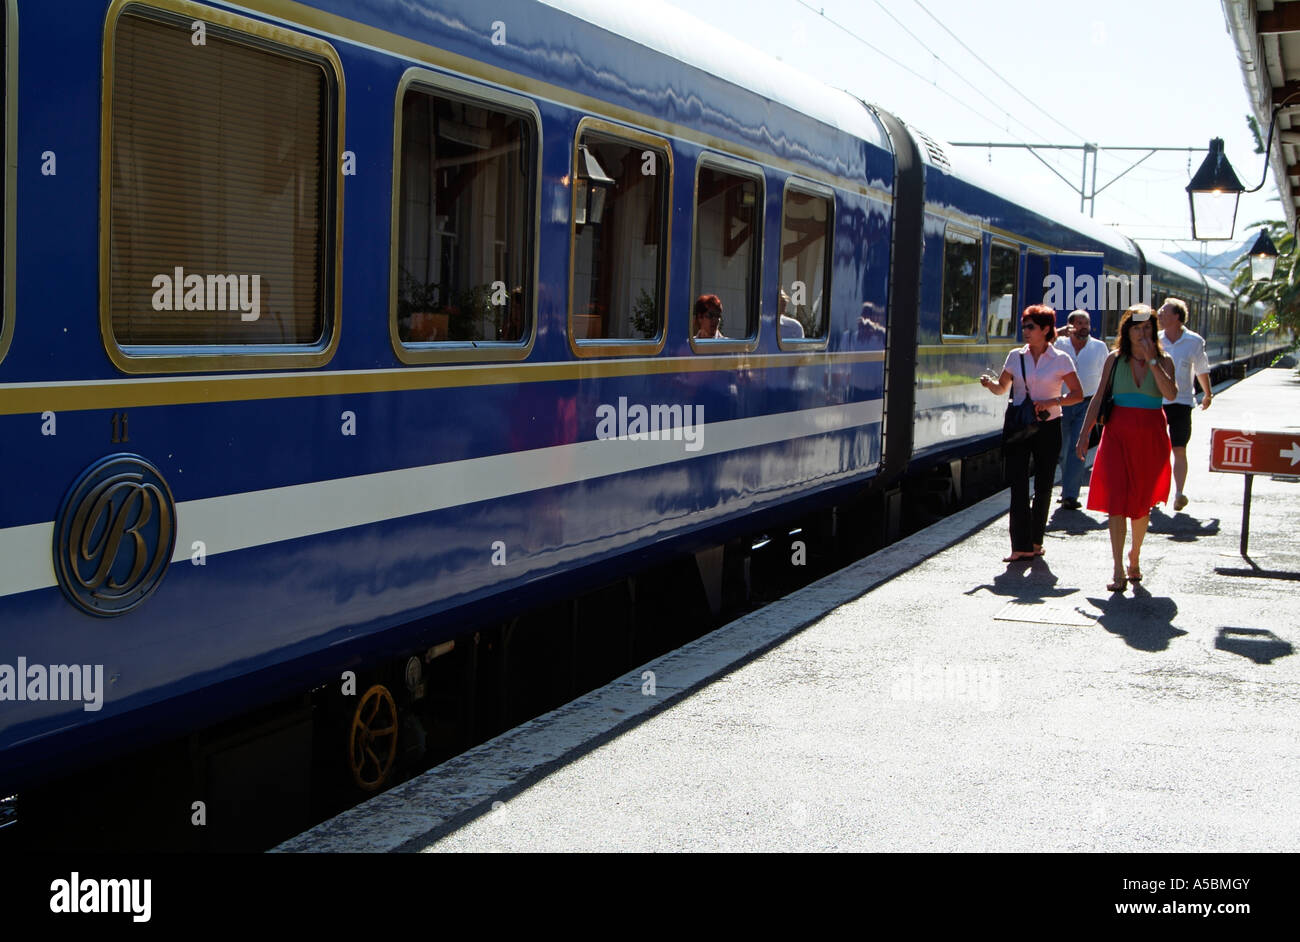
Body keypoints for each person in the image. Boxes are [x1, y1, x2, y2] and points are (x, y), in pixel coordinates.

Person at [1075, 304, 1179, 591]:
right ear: (1127, 330)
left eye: (1147, 328)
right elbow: (1098, 398)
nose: (1142, 333)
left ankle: (1135, 556)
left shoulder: (1165, 360)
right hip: (1117, 434)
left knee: (1141, 501)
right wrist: (1085, 434)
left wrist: (1152, 361)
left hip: (1150, 436)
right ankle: (1118, 567)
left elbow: (1170, 393)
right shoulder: (1114, 359)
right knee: (1117, 501)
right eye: (1136, 328)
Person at [979, 305, 1084, 562]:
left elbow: (1078, 395)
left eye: (1030, 327)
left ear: (1046, 329)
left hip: (1048, 427)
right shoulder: (1016, 356)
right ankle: (1020, 546)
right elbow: (1003, 388)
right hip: (1019, 426)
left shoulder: (1061, 359)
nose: (1025, 331)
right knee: (1017, 485)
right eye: (1024, 326)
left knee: (1044, 485)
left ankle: (1036, 541)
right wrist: (989, 384)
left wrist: (1052, 402)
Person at [1156, 298, 1212, 511]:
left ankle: (1179, 493)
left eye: (1164, 311)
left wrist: (1208, 394)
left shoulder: (1194, 341)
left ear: (1177, 317)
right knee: (1156, 451)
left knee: (1179, 449)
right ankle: (1155, 493)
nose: (1160, 314)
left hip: (1181, 402)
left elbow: (1202, 369)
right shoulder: (1156, 339)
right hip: (1156, 402)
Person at [1053, 309, 1109, 509]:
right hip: (1061, 403)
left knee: (1078, 447)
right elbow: (1039, 348)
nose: (1084, 327)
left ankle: (1070, 495)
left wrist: (1104, 402)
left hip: (1086, 404)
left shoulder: (1099, 347)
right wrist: (1057, 333)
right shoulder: (1059, 344)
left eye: (1086, 323)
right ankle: (1067, 487)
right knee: (1061, 450)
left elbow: (1106, 376)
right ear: (1070, 326)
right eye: (1079, 323)